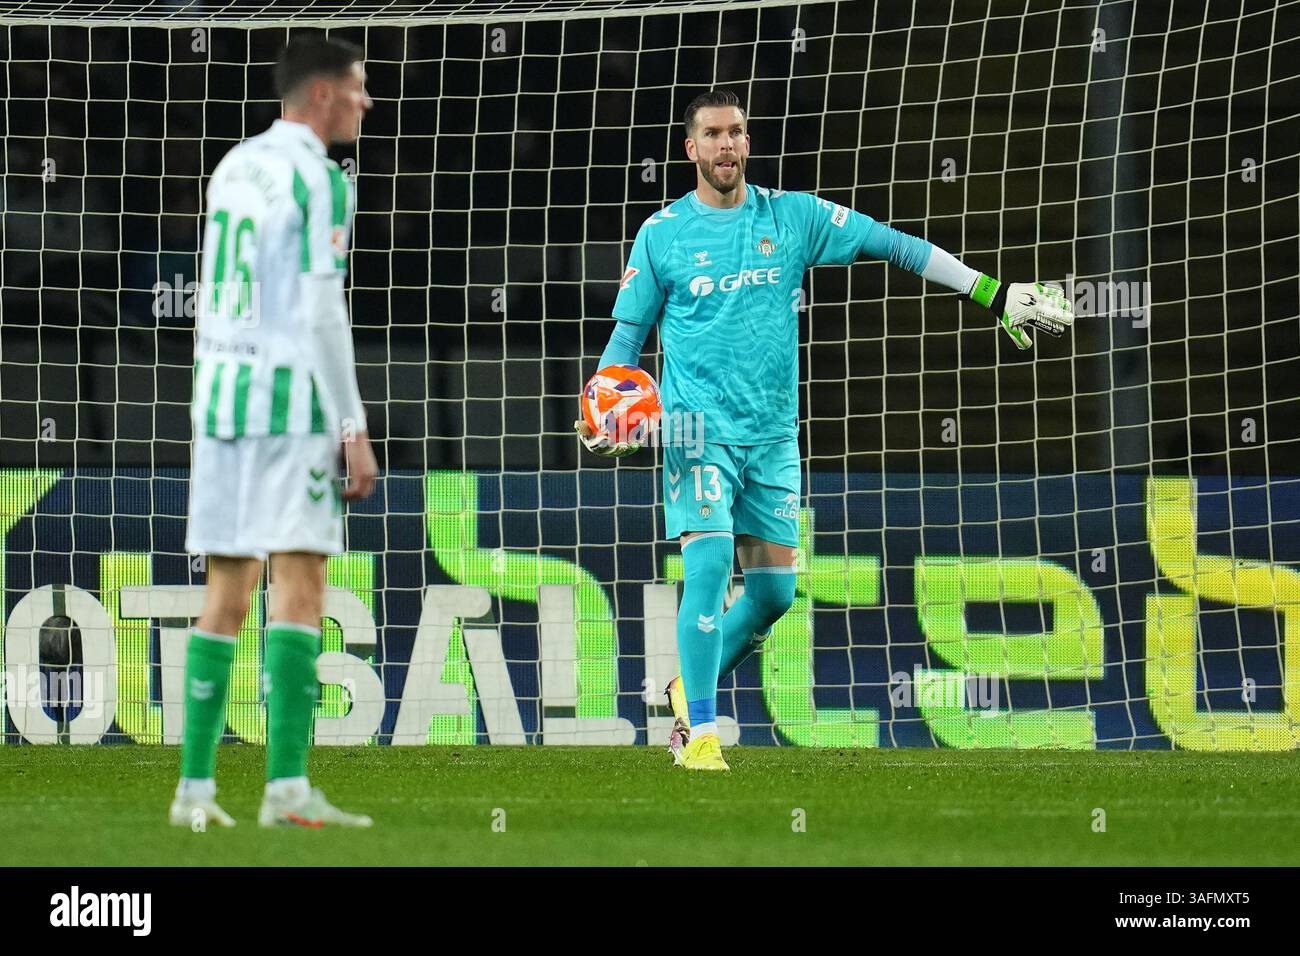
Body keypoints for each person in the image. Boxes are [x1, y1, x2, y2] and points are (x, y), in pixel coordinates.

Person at [576, 89, 1073, 770]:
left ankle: (683, 690)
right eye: (714, 135)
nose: (728, 145)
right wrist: (605, 402)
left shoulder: (795, 216)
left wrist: (991, 292)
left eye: (738, 133)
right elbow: (627, 336)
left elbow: (894, 245)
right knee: (712, 563)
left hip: (774, 437)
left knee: (775, 593)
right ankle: (701, 735)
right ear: (691, 149)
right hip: (695, 431)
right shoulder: (662, 234)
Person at [169, 36, 378, 825]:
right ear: (322, 94)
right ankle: (286, 787)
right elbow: (323, 309)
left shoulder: (233, 166)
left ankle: (194, 791)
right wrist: (352, 425)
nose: (365, 103)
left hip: (220, 400)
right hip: (289, 405)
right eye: (358, 88)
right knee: (300, 586)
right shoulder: (320, 180)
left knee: (224, 591)